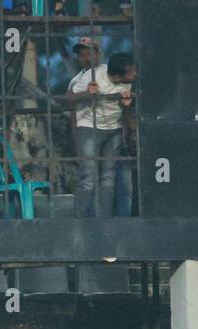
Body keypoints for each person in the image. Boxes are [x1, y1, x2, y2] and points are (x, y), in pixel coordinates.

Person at [66, 50, 136, 218]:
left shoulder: (129, 82)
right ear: (118, 77)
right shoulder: (93, 76)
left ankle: (104, 221)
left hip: (114, 129)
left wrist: (126, 106)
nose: (135, 74)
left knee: (108, 178)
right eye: (131, 72)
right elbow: (69, 99)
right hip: (90, 128)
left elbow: (125, 110)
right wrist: (87, 94)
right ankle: (79, 222)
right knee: (88, 178)